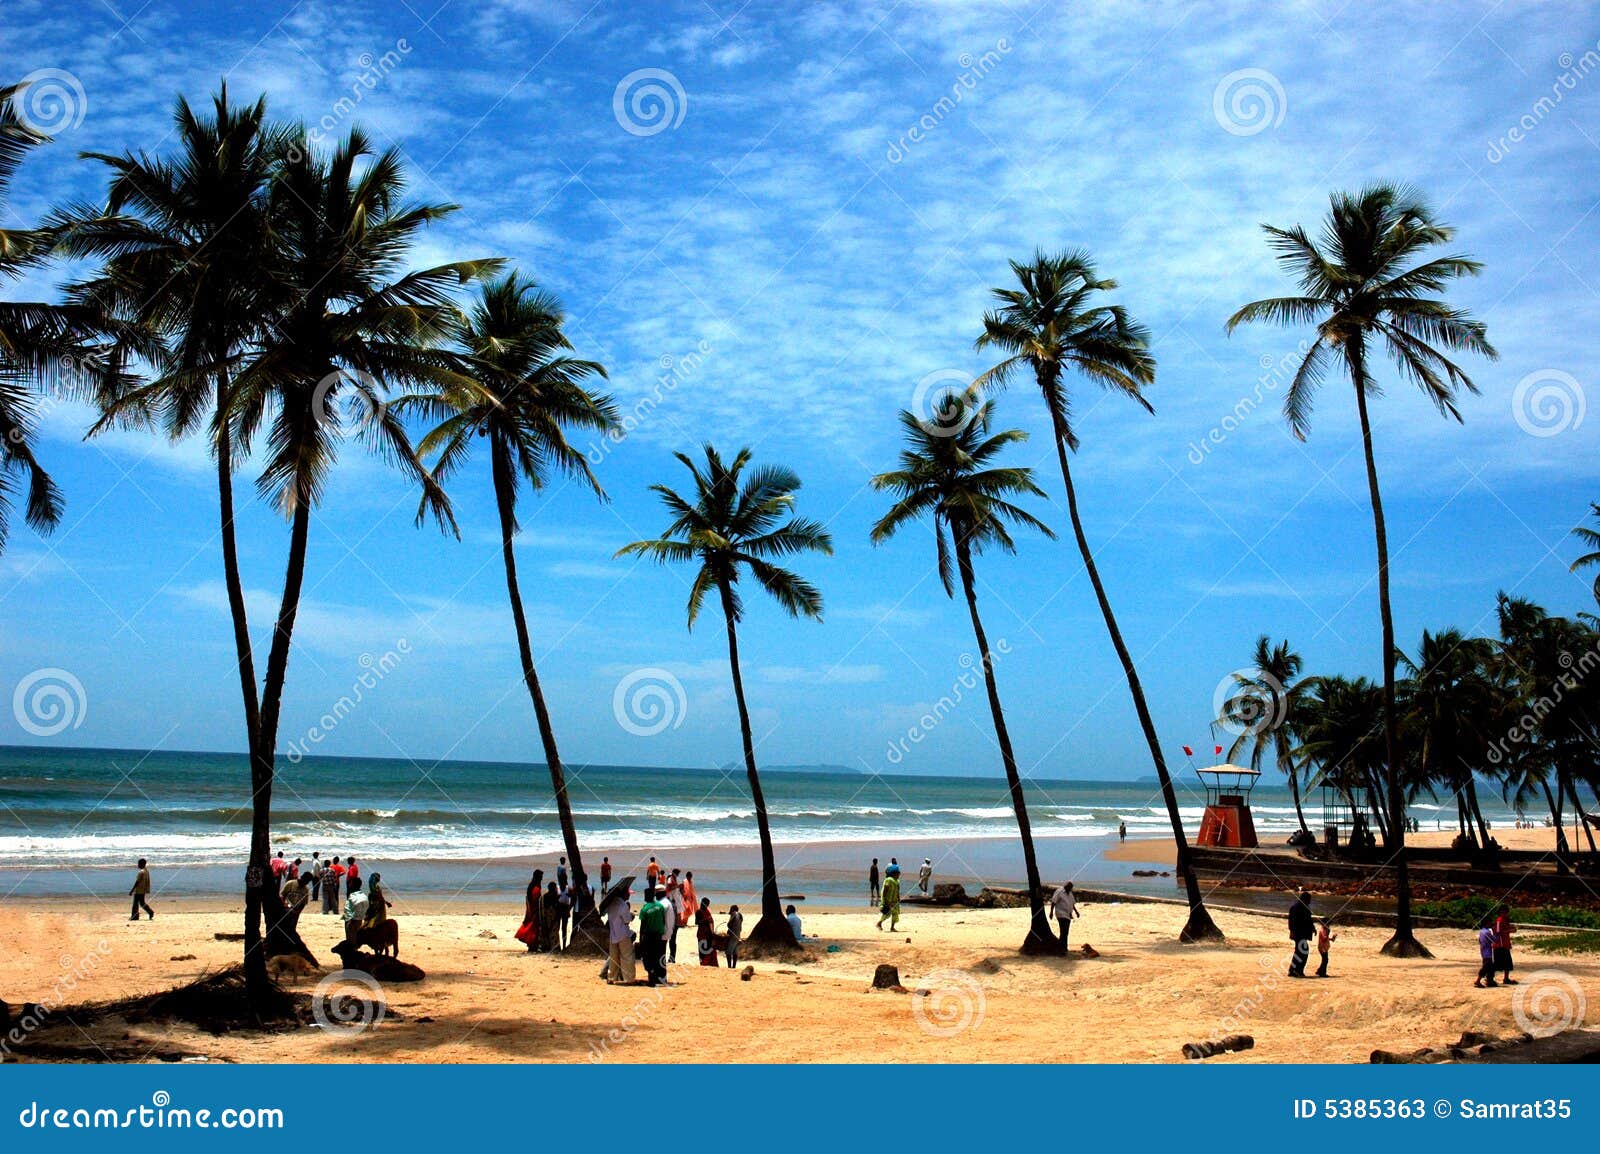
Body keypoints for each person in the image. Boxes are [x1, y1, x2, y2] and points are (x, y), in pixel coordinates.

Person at [602, 888, 636, 984]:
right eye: (627, 894)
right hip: (623, 934)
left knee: (614, 957)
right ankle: (629, 979)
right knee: (627, 956)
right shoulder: (622, 904)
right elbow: (627, 920)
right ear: (623, 894)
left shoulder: (611, 904)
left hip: (613, 934)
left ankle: (611, 977)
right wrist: (631, 916)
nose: (629, 896)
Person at [638, 887, 668, 986]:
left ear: (647, 896)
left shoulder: (645, 909)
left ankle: (651, 978)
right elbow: (663, 921)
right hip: (658, 936)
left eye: (645, 895)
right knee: (656, 957)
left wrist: (640, 939)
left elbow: (642, 926)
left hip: (649, 936)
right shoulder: (660, 906)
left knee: (647, 957)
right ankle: (655, 978)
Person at [516, 869, 545, 951]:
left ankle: (532, 945)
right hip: (534, 910)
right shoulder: (536, 887)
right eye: (541, 876)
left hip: (531, 909)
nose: (542, 878)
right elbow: (536, 900)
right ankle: (532, 945)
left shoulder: (531, 885)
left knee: (531, 926)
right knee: (533, 927)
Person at [1287, 891, 1314, 977]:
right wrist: (1292, 931)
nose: (1310, 901)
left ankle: (1293, 970)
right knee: (1303, 952)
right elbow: (1292, 921)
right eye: (1309, 899)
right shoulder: (1296, 907)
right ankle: (1298, 971)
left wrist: (1313, 928)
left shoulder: (1304, 907)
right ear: (1305, 899)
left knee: (1299, 952)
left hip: (1302, 933)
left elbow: (1309, 920)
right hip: (1299, 933)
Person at [1049, 881, 1078, 951]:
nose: (1070, 889)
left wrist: (1076, 912)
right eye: (1069, 888)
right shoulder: (1059, 891)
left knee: (1066, 932)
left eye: (1071, 888)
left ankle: (1063, 947)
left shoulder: (1070, 893)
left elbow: (1072, 903)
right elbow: (1053, 902)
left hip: (1068, 915)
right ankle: (1062, 947)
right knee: (1063, 931)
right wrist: (1051, 912)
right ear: (1066, 886)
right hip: (1061, 914)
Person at [1492, 906, 1516, 984]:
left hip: (1505, 944)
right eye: (1504, 912)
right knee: (1497, 963)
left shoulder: (1505, 920)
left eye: (1506, 912)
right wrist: (1510, 930)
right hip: (1500, 945)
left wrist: (1511, 929)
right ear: (1500, 912)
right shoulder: (1499, 920)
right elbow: (1498, 932)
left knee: (1507, 962)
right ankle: (1489, 978)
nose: (1506, 914)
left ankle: (1506, 979)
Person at [342, 878, 369, 942]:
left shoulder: (353, 896)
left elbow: (357, 909)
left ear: (353, 885)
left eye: (350, 884)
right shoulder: (363, 895)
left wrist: (351, 921)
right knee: (354, 938)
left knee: (351, 939)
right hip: (358, 920)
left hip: (352, 921)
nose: (348, 885)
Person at [1475, 920, 1498, 988]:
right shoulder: (1487, 932)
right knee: (1486, 967)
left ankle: (1490, 980)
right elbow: (1494, 940)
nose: (1491, 924)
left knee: (1491, 967)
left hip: (1483, 950)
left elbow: (1480, 941)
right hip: (1487, 952)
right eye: (1489, 923)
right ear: (1486, 924)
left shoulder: (1482, 931)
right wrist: (1495, 932)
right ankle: (1478, 981)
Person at [662, 876, 680, 964]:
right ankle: (672, 958)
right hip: (673, 925)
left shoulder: (665, 903)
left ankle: (666, 958)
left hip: (668, 925)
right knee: (672, 941)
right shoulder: (673, 903)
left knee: (666, 942)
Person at [695, 897, 718, 966]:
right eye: (705, 904)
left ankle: (710, 964)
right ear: (702, 903)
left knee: (710, 949)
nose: (706, 905)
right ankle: (704, 964)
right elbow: (696, 922)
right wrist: (705, 921)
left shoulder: (707, 911)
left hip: (709, 934)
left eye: (707, 904)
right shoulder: (699, 912)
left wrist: (712, 933)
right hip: (702, 935)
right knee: (703, 950)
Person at [877, 867, 901, 932]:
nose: (899, 875)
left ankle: (892, 927)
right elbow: (885, 891)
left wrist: (898, 897)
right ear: (893, 874)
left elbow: (897, 890)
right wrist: (885, 901)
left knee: (895, 913)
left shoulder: (897, 881)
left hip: (894, 900)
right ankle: (879, 923)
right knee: (887, 913)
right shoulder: (888, 880)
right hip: (888, 900)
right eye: (898, 873)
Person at [541, 881, 562, 952]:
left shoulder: (545, 896)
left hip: (547, 916)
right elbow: (556, 907)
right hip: (553, 915)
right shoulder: (555, 896)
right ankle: (555, 947)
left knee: (548, 931)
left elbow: (544, 907)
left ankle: (547, 947)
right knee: (554, 931)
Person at [558, 884, 573, 950]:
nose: (562, 882)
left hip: (565, 908)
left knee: (564, 928)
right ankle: (558, 945)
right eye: (560, 880)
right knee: (557, 928)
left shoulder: (568, 888)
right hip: (559, 908)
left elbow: (573, 898)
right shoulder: (557, 888)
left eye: (563, 880)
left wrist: (569, 908)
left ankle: (564, 946)